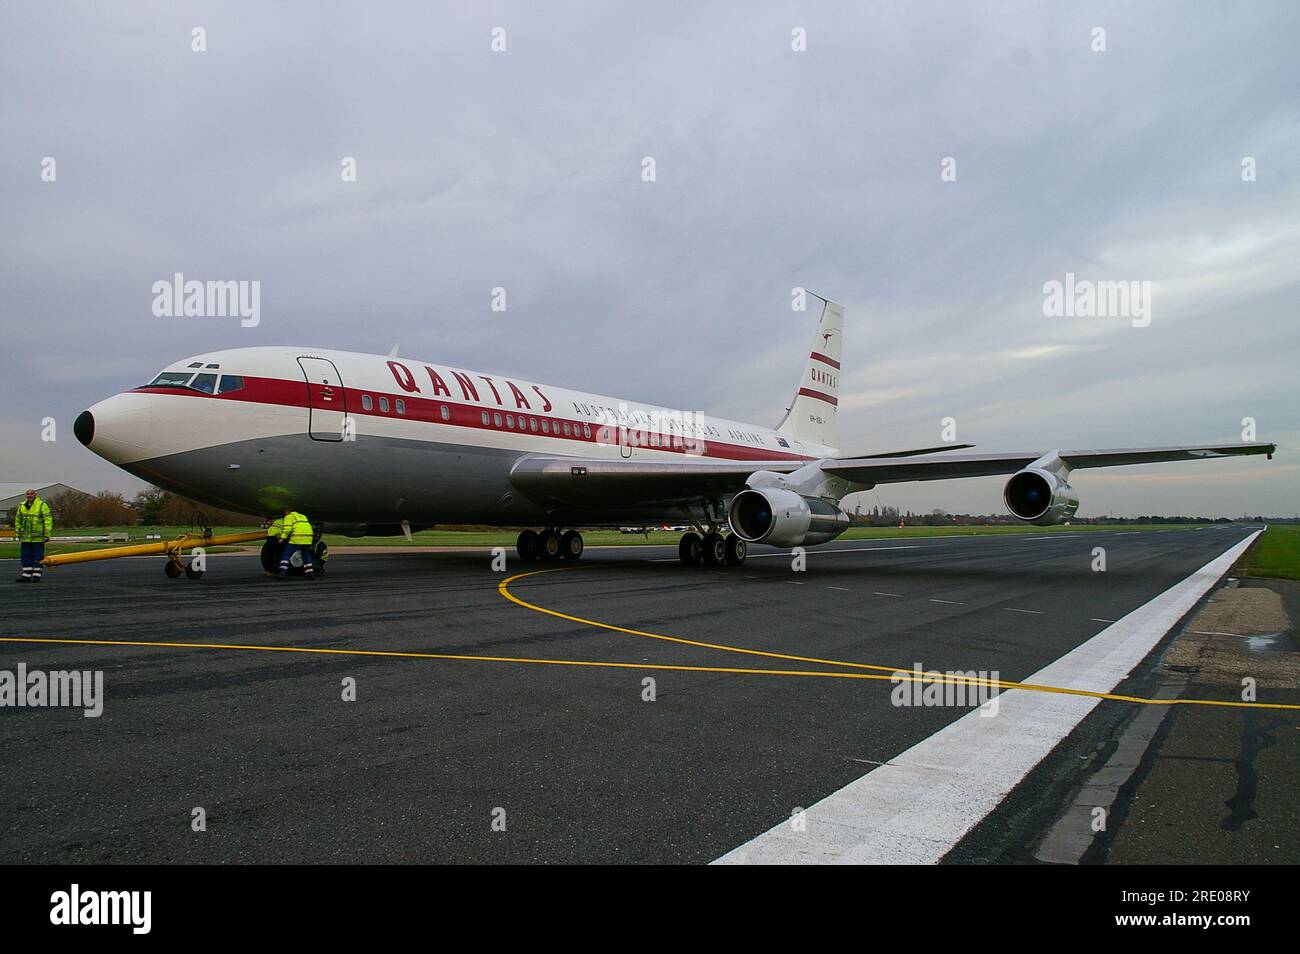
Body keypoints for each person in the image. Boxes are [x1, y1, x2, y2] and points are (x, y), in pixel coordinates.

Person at [13, 489, 53, 583]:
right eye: (28, 494)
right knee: (25, 556)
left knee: (38, 557)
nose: (29, 495)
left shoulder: (42, 505)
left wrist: (47, 534)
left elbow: (48, 520)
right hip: (25, 538)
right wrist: (18, 532)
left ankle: (36, 575)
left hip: (38, 538)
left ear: (35, 494)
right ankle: (26, 575)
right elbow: (18, 520)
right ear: (25, 495)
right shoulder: (22, 505)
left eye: (31, 494)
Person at [275, 506, 316, 579]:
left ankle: (282, 571)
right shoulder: (303, 516)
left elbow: (287, 529)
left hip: (297, 538)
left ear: (287, 511)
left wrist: (282, 538)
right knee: (306, 554)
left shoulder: (289, 517)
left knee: (286, 553)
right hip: (308, 538)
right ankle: (310, 573)